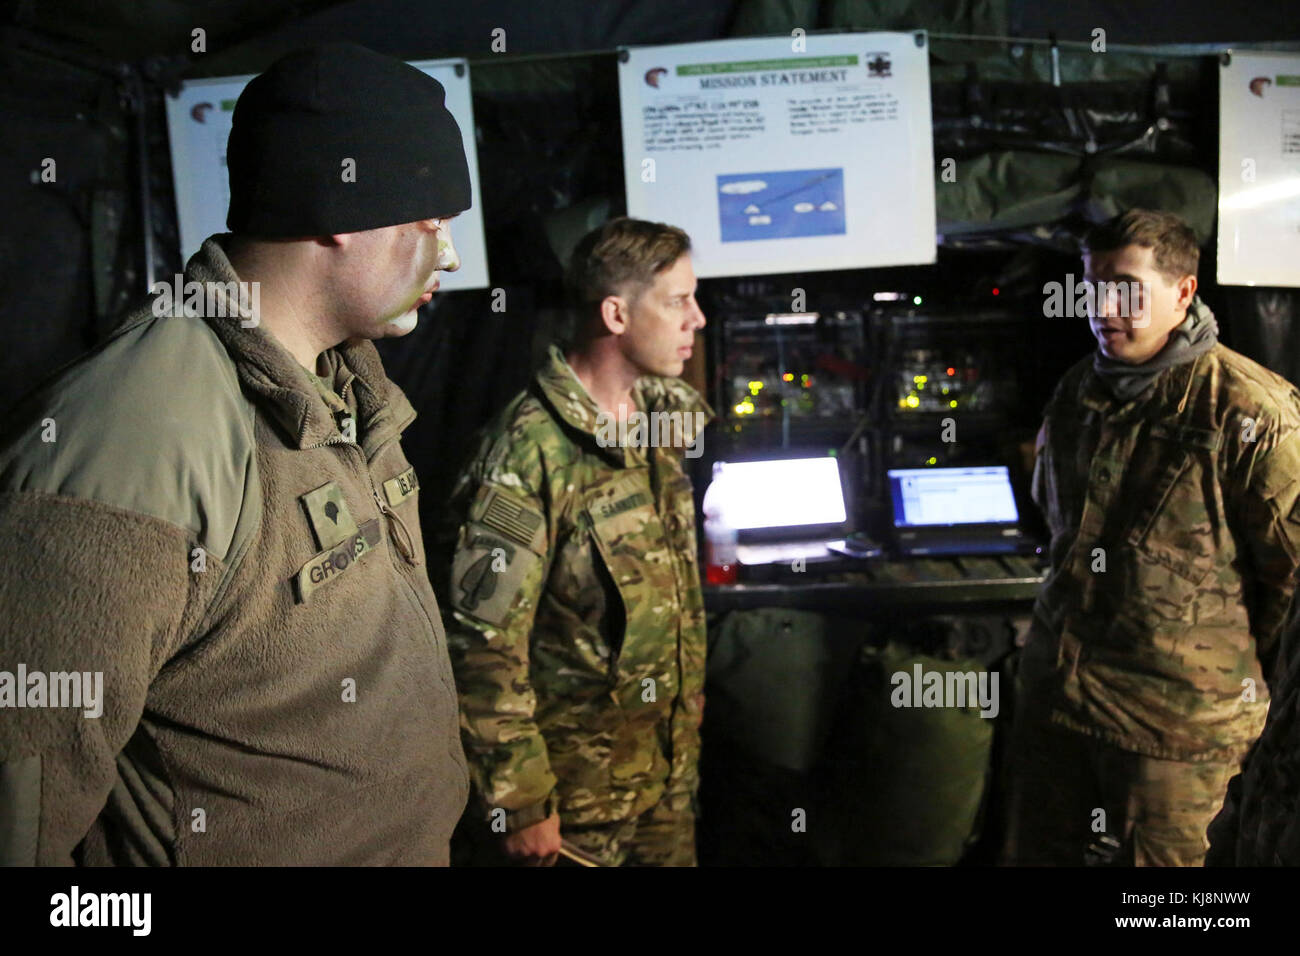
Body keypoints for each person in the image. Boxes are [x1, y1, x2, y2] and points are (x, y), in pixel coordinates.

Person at [0, 42, 471, 865]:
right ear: (340, 202)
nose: (450, 257)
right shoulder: (134, 436)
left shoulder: (344, 388)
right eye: (427, 222)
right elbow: (23, 811)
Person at [1003, 208, 1300, 866]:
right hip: (1060, 711)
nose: (1104, 309)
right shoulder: (1080, 390)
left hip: (1178, 739)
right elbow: (1058, 533)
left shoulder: (1253, 412)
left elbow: (1292, 592)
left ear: (1184, 292)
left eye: (1127, 289)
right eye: (1094, 288)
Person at [439, 217, 710, 866]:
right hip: (575, 805)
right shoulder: (524, 452)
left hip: (664, 776)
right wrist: (521, 798)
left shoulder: (663, 419)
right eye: (677, 302)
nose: (696, 319)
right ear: (616, 314)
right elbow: (480, 642)